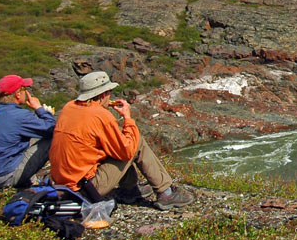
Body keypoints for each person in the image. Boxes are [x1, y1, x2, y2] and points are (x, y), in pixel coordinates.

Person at [49, 71, 192, 210]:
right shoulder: (100, 115)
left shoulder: (69, 107)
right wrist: (127, 118)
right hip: (86, 187)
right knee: (136, 141)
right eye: (109, 91)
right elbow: (126, 151)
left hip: (64, 184)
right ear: (103, 94)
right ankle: (166, 193)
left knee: (117, 144)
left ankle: (129, 190)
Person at [0, 75, 57, 190]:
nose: (26, 92)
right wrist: (39, 109)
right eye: (24, 89)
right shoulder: (21, 116)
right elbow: (52, 129)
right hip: (3, 178)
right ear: (18, 94)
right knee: (53, 140)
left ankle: (26, 180)